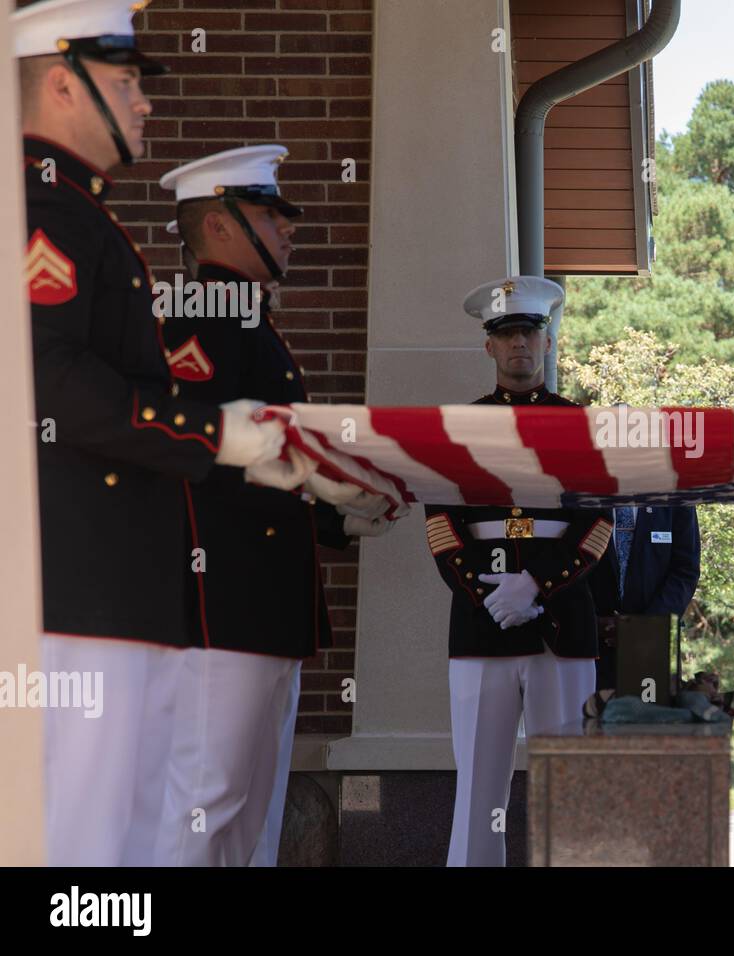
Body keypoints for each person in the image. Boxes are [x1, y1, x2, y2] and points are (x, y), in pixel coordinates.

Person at [14, 0, 302, 866]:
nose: (147, 103)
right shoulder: (49, 210)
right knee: (82, 848)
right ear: (62, 83)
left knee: (117, 848)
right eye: (127, 79)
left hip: (106, 594)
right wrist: (214, 432)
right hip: (76, 591)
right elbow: (48, 373)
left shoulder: (79, 214)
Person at [152, 145, 393, 865]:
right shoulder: (201, 321)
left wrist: (333, 514)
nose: (290, 231)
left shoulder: (250, 323)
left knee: (252, 808)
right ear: (220, 226)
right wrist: (322, 482)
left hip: (263, 606)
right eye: (270, 215)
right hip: (218, 601)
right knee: (205, 798)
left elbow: (274, 466)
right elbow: (203, 456)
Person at [425, 276, 613, 866]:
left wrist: (534, 583)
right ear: (489, 347)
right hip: (482, 627)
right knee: (480, 791)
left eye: (529, 332)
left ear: (549, 341)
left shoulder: (582, 425)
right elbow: (441, 524)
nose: (519, 346)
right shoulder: (458, 426)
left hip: (565, 624)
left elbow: (598, 522)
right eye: (506, 335)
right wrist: (491, 594)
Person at [589, 498, 700, 691]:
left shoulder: (675, 497)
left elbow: (685, 571)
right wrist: (589, 620)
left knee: (648, 718)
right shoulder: (586, 493)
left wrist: (642, 627)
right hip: (591, 642)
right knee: (590, 719)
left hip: (652, 642)